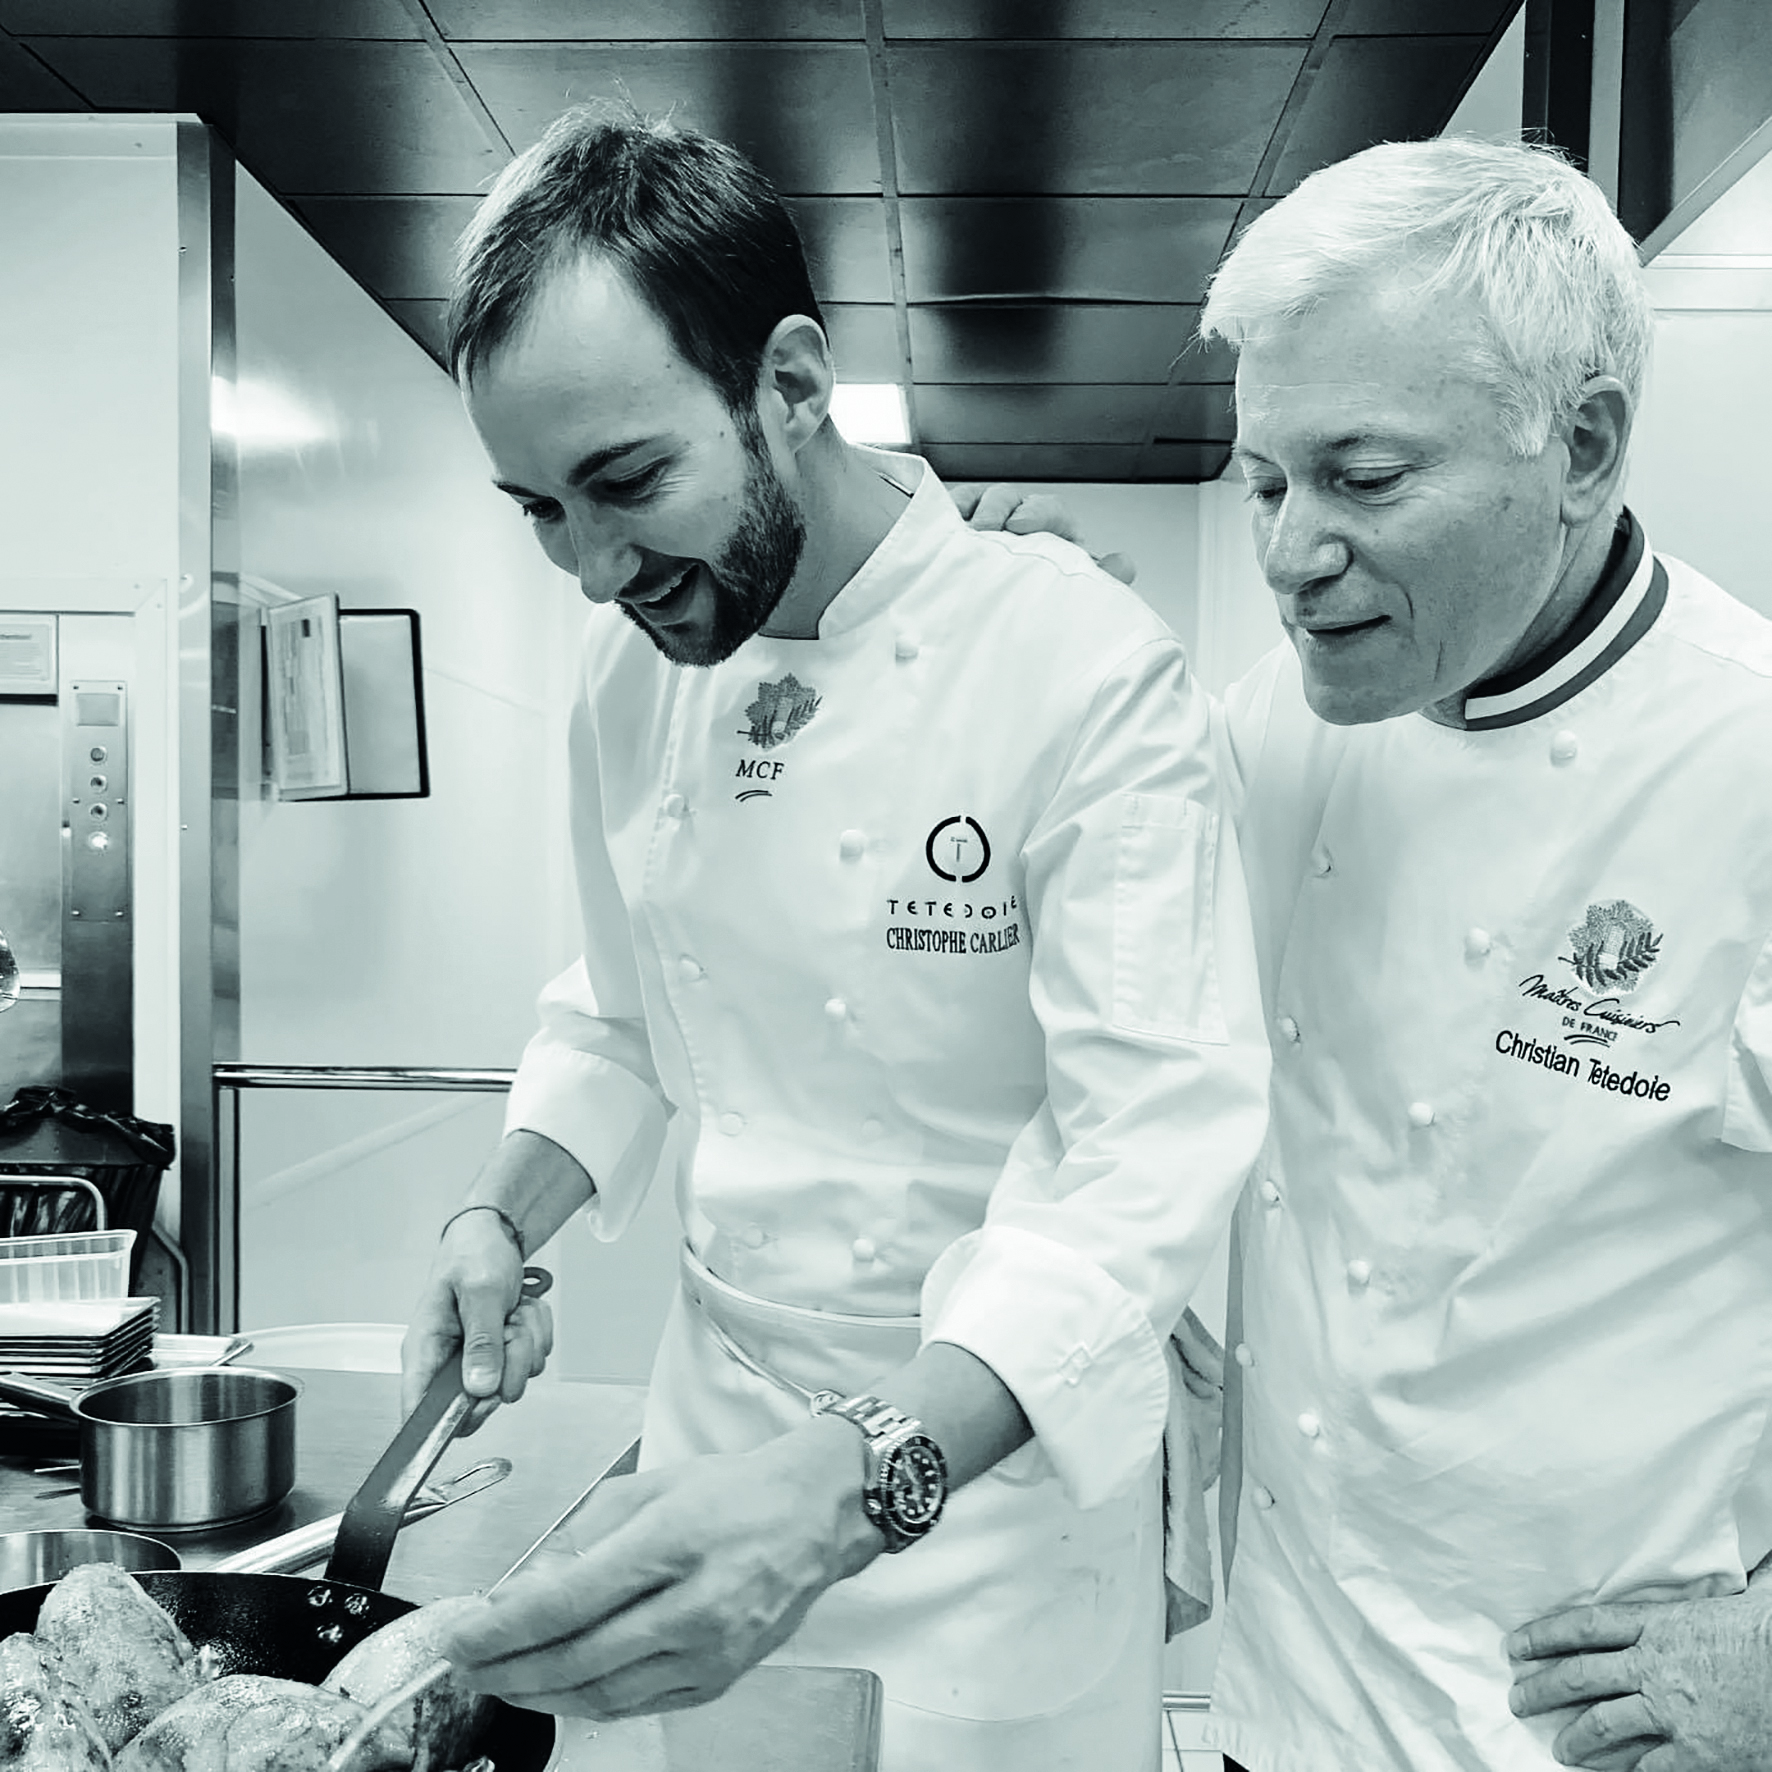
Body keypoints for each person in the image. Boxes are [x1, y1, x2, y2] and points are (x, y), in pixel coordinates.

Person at [398, 108, 1271, 1772]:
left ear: (791, 383)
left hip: (982, 1496)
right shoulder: (630, 675)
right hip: (712, 1447)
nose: (592, 571)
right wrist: (497, 1215)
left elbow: (1141, 1155)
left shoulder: (1081, 668)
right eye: (537, 512)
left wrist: (860, 1476)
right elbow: (623, 1003)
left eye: (627, 484)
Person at [1156, 134, 1772, 1772]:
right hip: (1280, 1698)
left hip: (1583, 1738)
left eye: (1363, 478)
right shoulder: (1268, 735)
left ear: (1581, 445)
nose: (1288, 555)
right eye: (1265, 482)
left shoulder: (1754, 765)